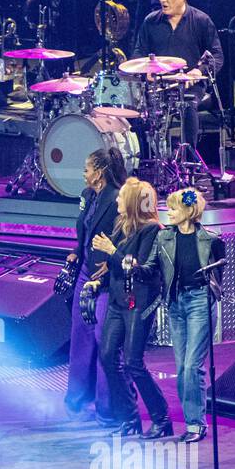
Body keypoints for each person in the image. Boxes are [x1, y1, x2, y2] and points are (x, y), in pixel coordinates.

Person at [139, 188, 226, 442]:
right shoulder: (164, 237)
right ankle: (192, 422)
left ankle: (196, 424)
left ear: (188, 212)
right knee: (182, 367)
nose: (169, 212)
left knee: (191, 366)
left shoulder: (210, 239)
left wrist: (213, 293)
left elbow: (220, 271)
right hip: (176, 303)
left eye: (174, 208)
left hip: (199, 300)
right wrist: (134, 268)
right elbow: (151, 267)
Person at [85, 178, 167, 437]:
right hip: (117, 301)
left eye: (122, 197)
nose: (118, 200)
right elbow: (114, 267)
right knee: (108, 356)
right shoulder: (123, 226)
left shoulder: (151, 230)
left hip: (138, 303)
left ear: (133, 202)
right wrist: (99, 283)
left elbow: (139, 269)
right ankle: (129, 419)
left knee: (133, 362)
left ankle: (161, 419)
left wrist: (112, 251)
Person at [62, 147, 128, 426]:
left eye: (87, 169)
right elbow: (83, 230)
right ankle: (76, 399)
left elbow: (125, 238)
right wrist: (77, 251)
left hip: (106, 277)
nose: (84, 173)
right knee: (80, 334)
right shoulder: (87, 196)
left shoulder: (118, 199)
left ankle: (109, 407)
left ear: (99, 173)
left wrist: (108, 265)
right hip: (84, 272)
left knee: (105, 341)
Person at [132, 0, 225, 160]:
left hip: (191, 86)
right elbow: (138, 53)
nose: (162, 0)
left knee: (186, 103)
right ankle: (151, 158)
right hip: (159, 85)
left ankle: (188, 160)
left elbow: (217, 56)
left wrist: (198, 71)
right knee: (139, 108)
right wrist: (146, 71)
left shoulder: (201, 21)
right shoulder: (150, 22)